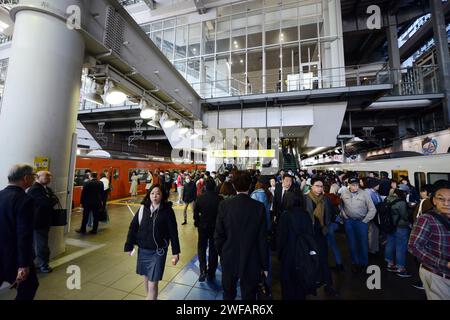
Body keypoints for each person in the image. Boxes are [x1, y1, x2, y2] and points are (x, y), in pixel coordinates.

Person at [215, 171, 269, 300]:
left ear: (233, 186)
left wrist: (223, 254)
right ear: (250, 186)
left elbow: (218, 235)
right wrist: (264, 265)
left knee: (228, 293)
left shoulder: (224, 205)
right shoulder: (259, 207)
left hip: (229, 257)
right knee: (249, 295)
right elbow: (262, 239)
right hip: (252, 258)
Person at [124, 185, 180, 300]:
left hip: (158, 252)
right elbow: (133, 227)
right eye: (152, 193)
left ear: (162, 196)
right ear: (149, 195)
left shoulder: (167, 211)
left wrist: (176, 252)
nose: (155, 196)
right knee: (147, 278)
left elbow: (173, 232)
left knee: (153, 283)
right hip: (143, 250)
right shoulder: (142, 209)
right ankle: (150, 297)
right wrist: (129, 245)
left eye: (158, 193)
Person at [0, 164, 39, 300]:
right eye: (34, 176)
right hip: (14, 256)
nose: (35, 178)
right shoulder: (26, 200)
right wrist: (23, 264)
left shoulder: (1, 194)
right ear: (26, 178)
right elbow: (24, 235)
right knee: (29, 286)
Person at [408, 180, 450, 300]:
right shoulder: (426, 219)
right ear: (434, 200)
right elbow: (413, 246)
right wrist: (445, 263)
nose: (446, 203)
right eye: (441, 199)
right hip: (437, 275)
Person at [276, 191, 314, 299]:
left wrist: (279, 253)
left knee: (288, 285)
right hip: (303, 254)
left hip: (288, 254)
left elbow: (281, 237)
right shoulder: (306, 214)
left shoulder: (285, 215)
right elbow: (310, 234)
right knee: (301, 284)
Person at [304, 178, 336, 295]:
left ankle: (328, 284)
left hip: (321, 233)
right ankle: (313, 282)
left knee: (323, 258)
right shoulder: (305, 199)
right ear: (311, 187)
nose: (320, 188)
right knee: (311, 259)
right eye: (317, 185)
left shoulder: (326, 200)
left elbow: (331, 214)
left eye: (321, 186)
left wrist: (327, 227)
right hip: (309, 234)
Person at [340, 177, 377, 273]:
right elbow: (340, 204)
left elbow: (372, 209)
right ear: (349, 185)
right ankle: (355, 263)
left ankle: (363, 263)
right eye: (353, 185)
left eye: (357, 184)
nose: (355, 187)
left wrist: (365, 220)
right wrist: (343, 214)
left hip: (361, 222)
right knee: (351, 243)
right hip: (349, 222)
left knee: (363, 243)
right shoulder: (344, 193)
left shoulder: (364, 194)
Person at [27, 171, 59, 273]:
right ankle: (43, 265)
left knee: (38, 244)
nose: (49, 177)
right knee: (41, 245)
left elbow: (54, 199)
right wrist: (50, 199)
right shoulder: (35, 189)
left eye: (50, 175)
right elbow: (44, 204)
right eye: (46, 176)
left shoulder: (46, 188)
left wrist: (50, 199)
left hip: (43, 221)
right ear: (37, 177)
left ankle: (33, 264)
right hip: (38, 222)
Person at [194, 179, 223, 282]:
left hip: (203, 227)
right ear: (214, 187)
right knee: (213, 249)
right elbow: (221, 215)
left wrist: (197, 222)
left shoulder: (200, 198)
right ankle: (211, 272)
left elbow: (195, 213)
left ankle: (202, 271)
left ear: (205, 187)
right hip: (215, 227)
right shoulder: (220, 199)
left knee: (201, 248)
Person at [384, 185, 413, 277]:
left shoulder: (387, 199)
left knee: (390, 243)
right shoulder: (401, 202)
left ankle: (390, 264)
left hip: (390, 225)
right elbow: (404, 216)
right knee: (400, 247)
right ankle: (400, 268)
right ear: (404, 192)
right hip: (400, 226)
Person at [250, 177, 273, 285]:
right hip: (267, 227)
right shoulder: (269, 194)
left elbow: (254, 213)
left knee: (256, 254)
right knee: (266, 254)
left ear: (259, 183)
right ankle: (267, 280)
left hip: (257, 228)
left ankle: (257, 279)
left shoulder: (256, 194)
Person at [365, 179, 382, 256]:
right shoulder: (368, 192)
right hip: (371, 216)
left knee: (374, 232)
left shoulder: (374, 192)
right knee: (372, 232)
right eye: (377, 184)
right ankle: (371, 250)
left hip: (375, 215)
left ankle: (374, 249)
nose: (379, 186)